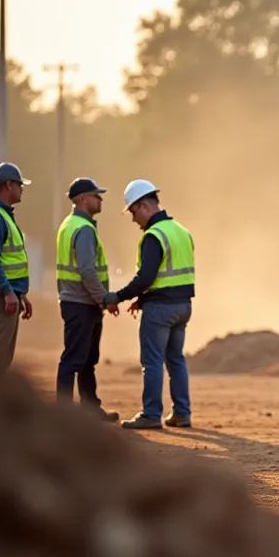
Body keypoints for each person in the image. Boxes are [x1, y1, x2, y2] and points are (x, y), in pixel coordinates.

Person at [104, 180, 195, 429]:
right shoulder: (180, 231)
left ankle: (151, 414)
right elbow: (168, 277)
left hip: (160, 311)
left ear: (144, 205)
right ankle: (182, 413)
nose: (134, 220)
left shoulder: (154, 236)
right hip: (183, 306)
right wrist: (142, 299)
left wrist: (118, 297)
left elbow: (146, 277)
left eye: (134, 212)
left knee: (152, 361)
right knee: (176, 360)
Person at [56, 178, 120, 422]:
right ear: (83, 199)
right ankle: (64, 415)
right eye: (96, 195)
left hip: (80, 302)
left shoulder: (70, 225)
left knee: (86, 361)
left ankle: (90, 410)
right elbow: (87, 270)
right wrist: (104, 298)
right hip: (81, 303)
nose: (100, 199)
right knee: (74, 360)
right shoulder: (83, 229)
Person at [0, 162, 33, 365]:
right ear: (8, 185)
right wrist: (7, 291)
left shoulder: (1, 214)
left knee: (2, 359)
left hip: (5, 296)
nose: (21, 189)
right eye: (19, 184)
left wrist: (20, 293)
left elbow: (7, 261)